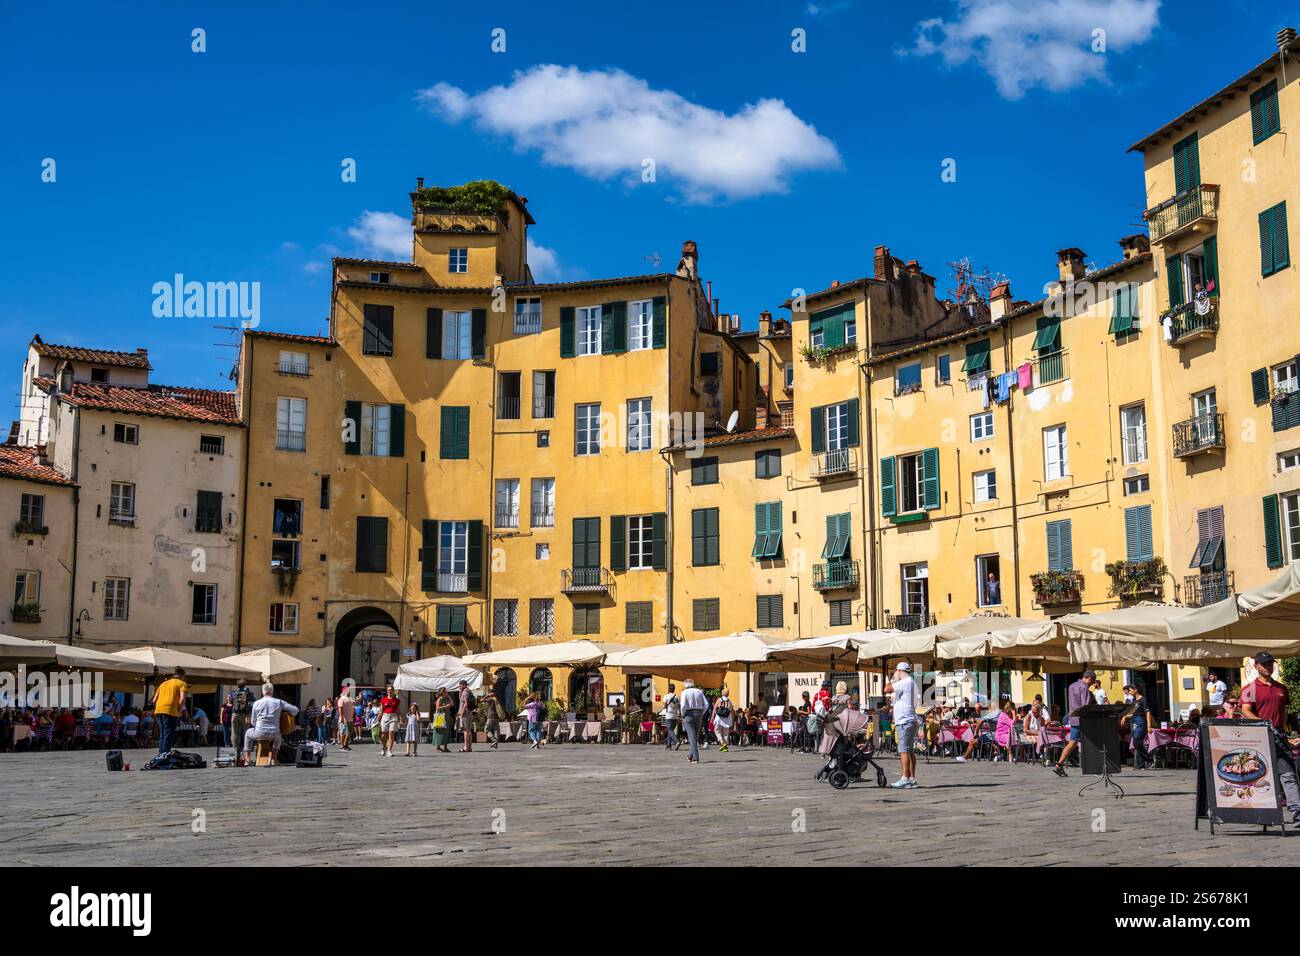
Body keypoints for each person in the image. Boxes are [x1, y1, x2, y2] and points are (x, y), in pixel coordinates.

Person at [1240, 652, 1300, 828]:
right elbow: (1245, 710)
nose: (1268, 667)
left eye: (1270, 664)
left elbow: (1284, 711)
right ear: (1256, 665)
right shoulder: (1250, 688)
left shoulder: (1281, 688)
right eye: (1265, 664)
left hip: (1279, 736)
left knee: (1288, 775)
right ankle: (1263, 813)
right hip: (1259, 738)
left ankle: (1297, 813)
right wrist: (1263, 723)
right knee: (1260, 777)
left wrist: (1284, 730)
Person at [243, 682, 299, 765]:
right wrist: (288, 715)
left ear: (262, 692)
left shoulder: (256, 703)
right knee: (278, 737)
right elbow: (295, 710)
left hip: (259, 732)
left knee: (247, 733)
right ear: (272, 692)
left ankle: (247, 759)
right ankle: (273, 758)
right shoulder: (278, 702)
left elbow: (253, 722)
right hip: (274, 732)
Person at [1054, 670, 1096, 777]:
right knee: (1092, 741)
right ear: (1089, 678)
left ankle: (1059, 764)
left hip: (1073, 718)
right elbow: (1084, 706)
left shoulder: (1071, 686)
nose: (1091, 684)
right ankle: (1093, 766)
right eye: (1092, 682)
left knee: (1073, 742)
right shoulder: (1084, 687)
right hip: (1082, 719)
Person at [884, 662, 919, 789]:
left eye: (896, 671)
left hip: (905, 720)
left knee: (904, 750)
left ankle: (905, 778)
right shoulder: (911, 682)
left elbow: (886, 689)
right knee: (909, 750)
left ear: (899, 671)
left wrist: (893, 678)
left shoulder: (905, 682)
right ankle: (912, 779)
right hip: (909, 719)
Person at [149, 667, 188, 754]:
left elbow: (154, 700)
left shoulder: (163, 684)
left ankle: (161, 755)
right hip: (170, 710)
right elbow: (182, 699)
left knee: (162, 734)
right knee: (168, 734)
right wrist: (179, 710)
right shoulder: (182, 683)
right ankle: (165, 755)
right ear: (182, 676)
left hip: (159, 710)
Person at [1120, 684, 1151, 770]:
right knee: (1136, 743)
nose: (1129, 692)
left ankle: (1149, 758)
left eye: (1130, 690)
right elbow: (1132, 712)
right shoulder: (1134, 700)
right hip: (1133, 722)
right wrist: (1125, 717)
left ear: (1136, 690)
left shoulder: (1143, 699)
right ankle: (1140, 765)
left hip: (1141, 721)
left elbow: (1147, 712)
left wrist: (1149, 726)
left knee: (1137, 741)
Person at [679, 679, 709, 764]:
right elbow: (706, 704)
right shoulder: (699, 691)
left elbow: (683, 705)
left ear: (685, 685)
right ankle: (690, 755)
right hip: (699, 713)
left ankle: (695, 757)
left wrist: (682, 714)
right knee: (695, 735)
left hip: (688, 713)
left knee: (692, 736)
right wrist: (702, 713)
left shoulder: (684, 692)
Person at [231, 681, 253, 757]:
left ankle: (235, 752)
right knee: (247, 733)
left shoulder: (233, 692)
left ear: (237, 685)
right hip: (245, 714)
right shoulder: (248, 693)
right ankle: (246, 753)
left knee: (234, 733)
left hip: (235, 714)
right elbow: (252, 703)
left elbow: (231, 703)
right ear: (244, 685)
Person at [378, 685, 401, 757]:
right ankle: (384, 747)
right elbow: (381, 710)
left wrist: (401, 718)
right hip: (385, 716)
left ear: (393, 691)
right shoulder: (383, 699)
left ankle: (389, 750)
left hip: (393, 716)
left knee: (391, 733)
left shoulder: (397, 700)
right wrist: (377, 719)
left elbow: (399, 710)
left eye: (390, 690)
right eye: (388, 690)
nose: (389, 691)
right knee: (383, 734)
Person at [994, 698, 1017, 762]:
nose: (1014, 709)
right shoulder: (1004, 715)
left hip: (1007, 733)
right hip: (1000, 735)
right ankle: (1010, 755)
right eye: (1014, 708)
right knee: (1010, 738)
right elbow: (1013, 724)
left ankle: (1020, 756)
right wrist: (1014, 713)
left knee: (1017, 737)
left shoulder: (1008, 715)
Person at [456, 679, 477, 753]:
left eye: (460, 685)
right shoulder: (469, 691)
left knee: (465, 730)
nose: (459, 686)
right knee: (469, 730)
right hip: (469, 712)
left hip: (465, 713)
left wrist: (461, 713)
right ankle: (469, 747)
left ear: (464, 685)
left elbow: (465, 704)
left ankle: (465, 747)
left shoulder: (464, 693)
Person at [661, 683, 680, 751]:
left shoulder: (666, 696)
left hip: (669, 715)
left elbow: (664, 705)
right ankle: (668, 746)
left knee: (670, 730)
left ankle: (676, 741)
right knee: (671, 730)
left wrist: (664, 706)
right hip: (675, 715)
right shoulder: (677, 697)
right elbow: (679, 706)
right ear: (674, 689)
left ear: (669, 689)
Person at [336, 685, 355, 750]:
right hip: (344, 719)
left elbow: (355, 704)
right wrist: (341, 717)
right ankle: (341, 746)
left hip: (350, 719)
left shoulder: (350, 699)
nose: (350, 692)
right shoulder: (341, 699)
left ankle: (345, 744)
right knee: (343, 732)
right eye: (349, 690)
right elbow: (340, 708)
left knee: (350, 732)